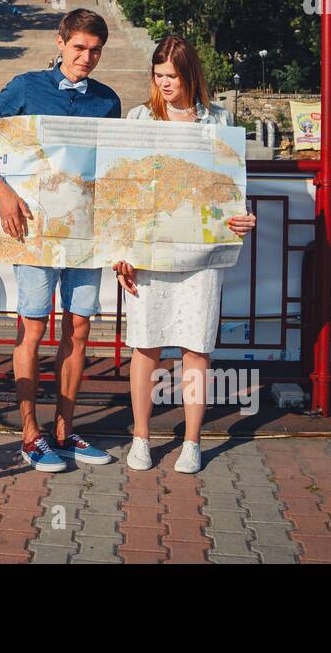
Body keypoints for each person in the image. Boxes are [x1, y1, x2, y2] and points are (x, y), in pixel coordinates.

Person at [0, 8, 121, 472]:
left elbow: (111, 169)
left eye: (95, 51)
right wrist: (4, 194)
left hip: (85, 233)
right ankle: (31, 434)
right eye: (79, 48)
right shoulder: (25, 87)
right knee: (32, 327)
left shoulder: (107, 100)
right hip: (32, 228)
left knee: (80, 327)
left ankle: (66, 431)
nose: (86, 58)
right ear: (60, 42)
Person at [112, 36, 256, 474]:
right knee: (146, 345)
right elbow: (123, 187)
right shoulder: (139, 117)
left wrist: (243, 218)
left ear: (190, 74)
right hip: (149, 253)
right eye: (158, 76)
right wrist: (120, 251)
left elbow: (230, 189)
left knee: (196, 346)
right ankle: (141, 436)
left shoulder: (219, 120)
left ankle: (192, 441)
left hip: (202, 254)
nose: (164, 83)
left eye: (171, 76)